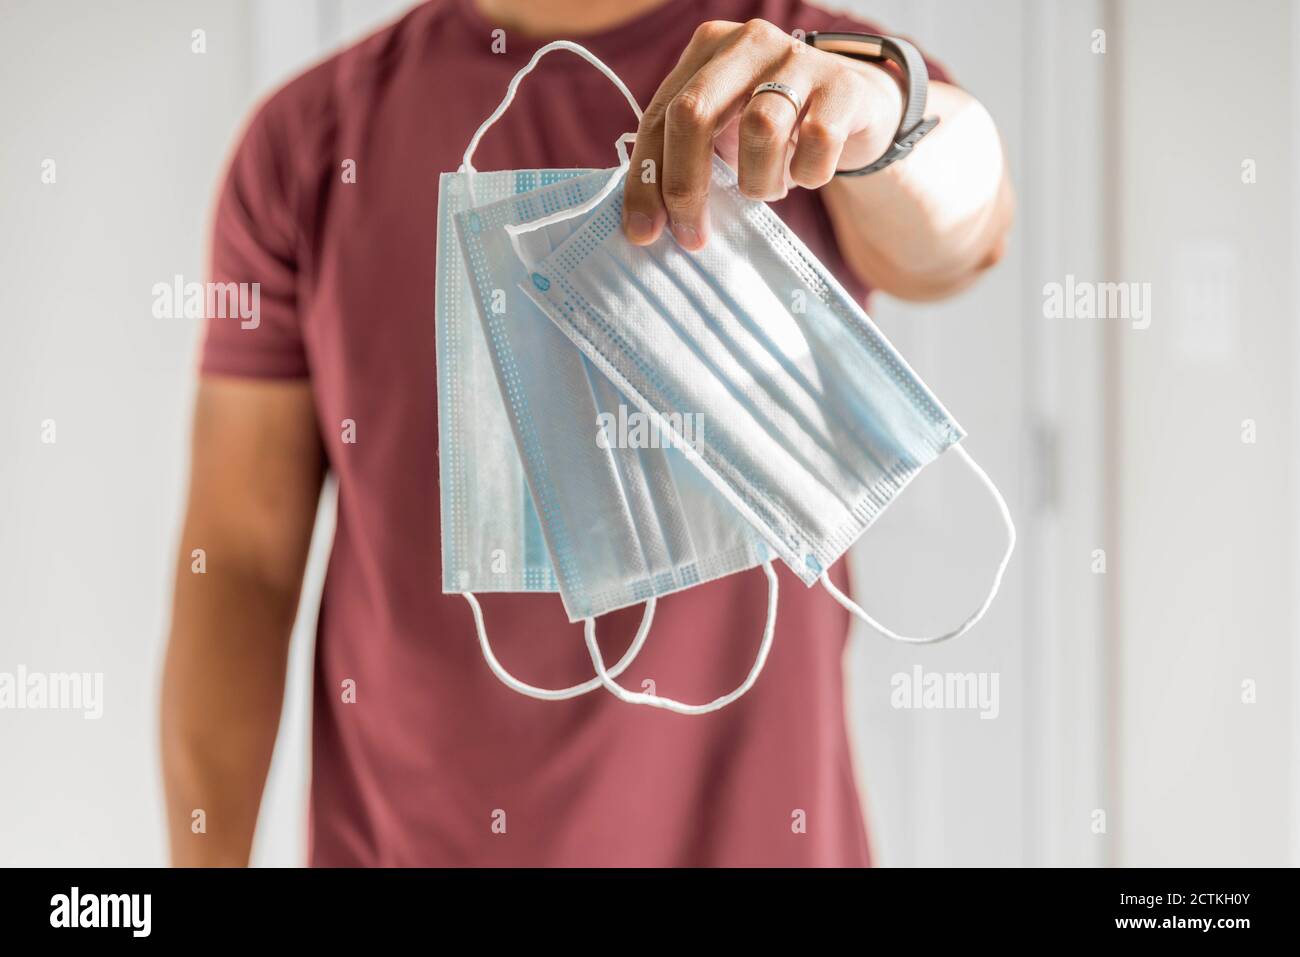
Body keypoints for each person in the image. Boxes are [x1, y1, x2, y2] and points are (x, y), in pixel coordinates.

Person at [161, 0, 1013, 867]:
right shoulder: (310, 141)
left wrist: (886, 116)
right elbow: (240, 561)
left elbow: (967, 221)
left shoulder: (801, 76)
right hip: (402, 839)